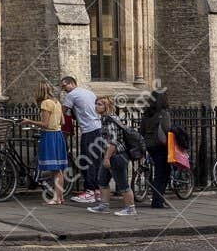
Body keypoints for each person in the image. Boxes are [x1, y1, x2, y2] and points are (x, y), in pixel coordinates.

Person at [86, 96, 137, 216]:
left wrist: (107, 158)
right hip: (111, 155)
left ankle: (131, 208)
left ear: (106, 106)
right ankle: (104, 206)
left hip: (117, 156)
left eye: (100, 104)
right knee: (102, 180)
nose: (96, 106)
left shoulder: (110, 120)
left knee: (122, 183)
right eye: (96, 104)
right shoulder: (105, 119)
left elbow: (113, 142)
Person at [23, 80, 66, 206]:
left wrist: (28, 121)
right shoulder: (56, 102)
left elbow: (45, 124)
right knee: (58, 169)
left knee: (55, 170)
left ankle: (56, 198)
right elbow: (62, 121)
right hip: (58, 135)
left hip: (50, 136)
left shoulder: (46, 103)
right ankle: (60, 197)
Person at [59, 75, 102, 203]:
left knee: (86, 160)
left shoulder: (71, 95)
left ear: (72, 83)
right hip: (98, 127)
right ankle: (97, 190)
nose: (64, 89)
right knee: (95, 160)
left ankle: (89, 192)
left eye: (64, 86)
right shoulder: (89, 92)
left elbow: (62, 112)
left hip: (89, 130)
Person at [140, 87, 172, 209]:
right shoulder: (164, 114)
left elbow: (142, 131)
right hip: (160, 145)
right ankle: (158, 201)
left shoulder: (146, 114)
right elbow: (167, 130)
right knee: (163, 173)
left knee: (159, 172)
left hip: (149, 146)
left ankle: (158, 199)